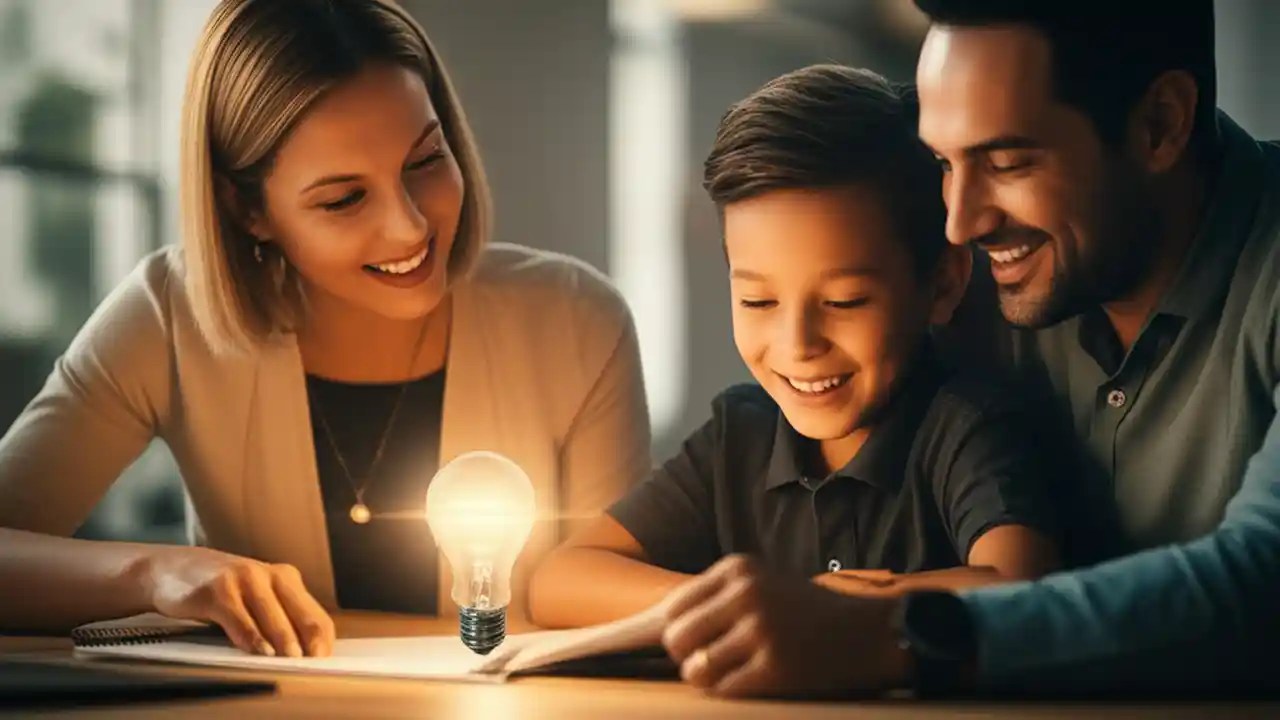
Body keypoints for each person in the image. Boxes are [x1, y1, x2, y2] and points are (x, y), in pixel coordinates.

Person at [657, 0, 1280, 698]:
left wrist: (889, 632)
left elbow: (1262, 580)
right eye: (943, 164)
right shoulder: (979, 277)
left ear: (1160, 123)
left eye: (1008, 161)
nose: (960, 221)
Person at [0, 0, 650, 660]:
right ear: (247, 208)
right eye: (344, 199)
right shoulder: (168, 315)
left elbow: (604, 597)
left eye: (425, 160)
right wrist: (159, 573)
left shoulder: (573, 320)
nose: (410, 228)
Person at [528, 65, 1061, 631]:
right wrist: (739, 605)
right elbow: (561, 578)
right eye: (759, 302)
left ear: (943, 284)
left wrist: (824, 609)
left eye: (845, 301)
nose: (798, 344)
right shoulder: (741, 435)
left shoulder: (966, 426)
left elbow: (1022, 586)